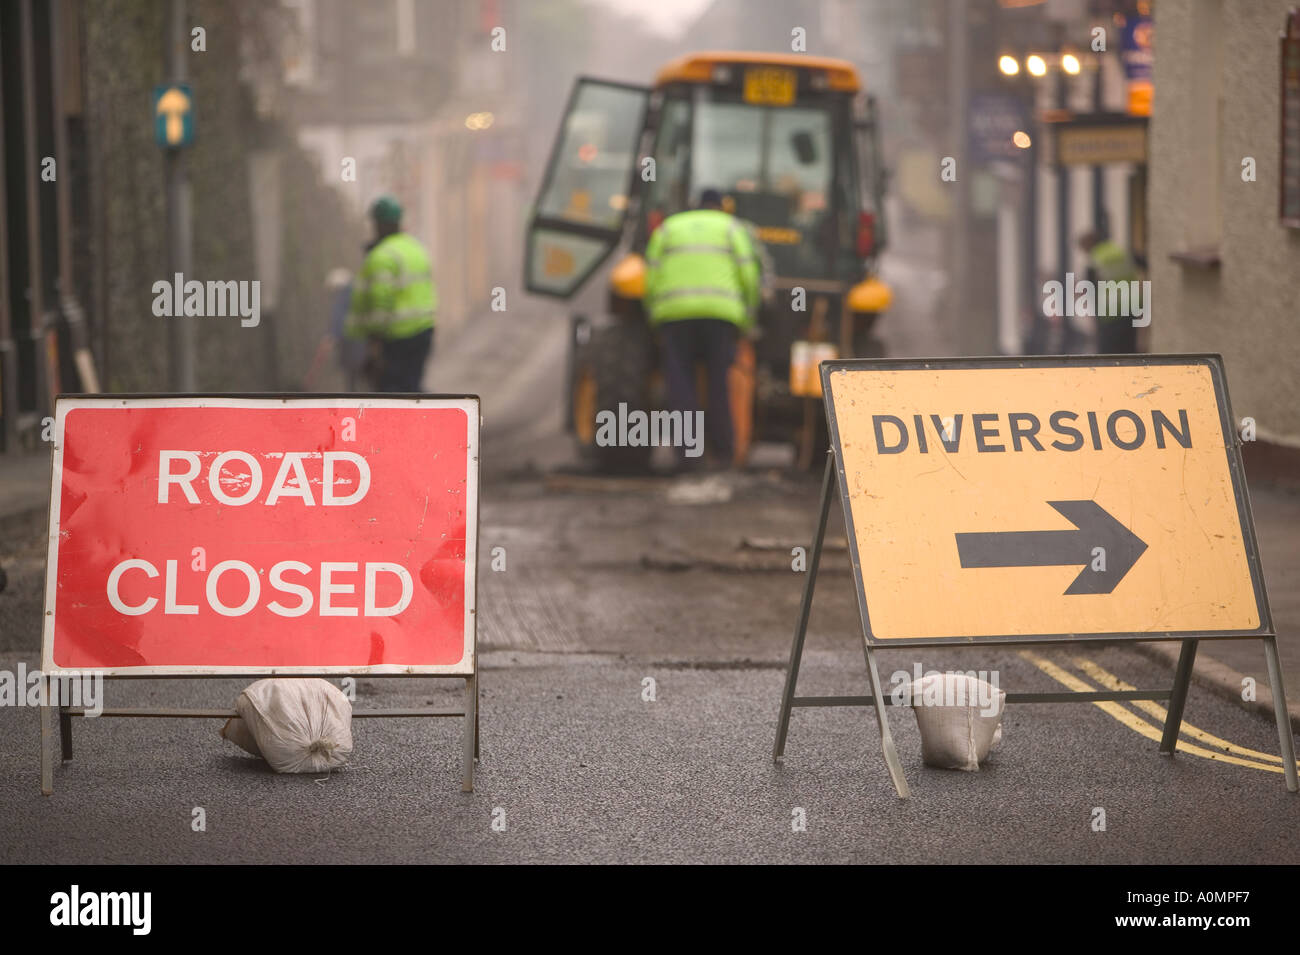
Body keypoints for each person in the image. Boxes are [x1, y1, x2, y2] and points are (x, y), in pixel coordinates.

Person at [644, 188, 761, 468]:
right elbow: (749, 276)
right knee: (719, 383)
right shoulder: (733, 228)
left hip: (675, 315)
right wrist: (748, 317)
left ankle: (688, 455)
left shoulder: (668, 228)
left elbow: (650, 276)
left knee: (681, 384)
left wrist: (653, 314)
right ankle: (723, 453)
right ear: (721, 207)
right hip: (721, 316)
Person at [346, 195, 437, 392]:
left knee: (392, 392)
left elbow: (380, 304)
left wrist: (374, 343)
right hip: (423, 331)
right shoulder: (416, 248)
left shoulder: (382, 256)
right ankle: (426, 418)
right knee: (411, 387)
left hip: (396, 338)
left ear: (378, 224)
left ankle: (417, 420)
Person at [1078, 231, 1140, 354]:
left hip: (1110, 314)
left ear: (1088, 245)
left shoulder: (1095, 259)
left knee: (1108, 354)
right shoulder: (1119, 251)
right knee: (1129, 350)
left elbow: (1090, 289)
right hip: (1130, 308)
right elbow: (1141, 262)